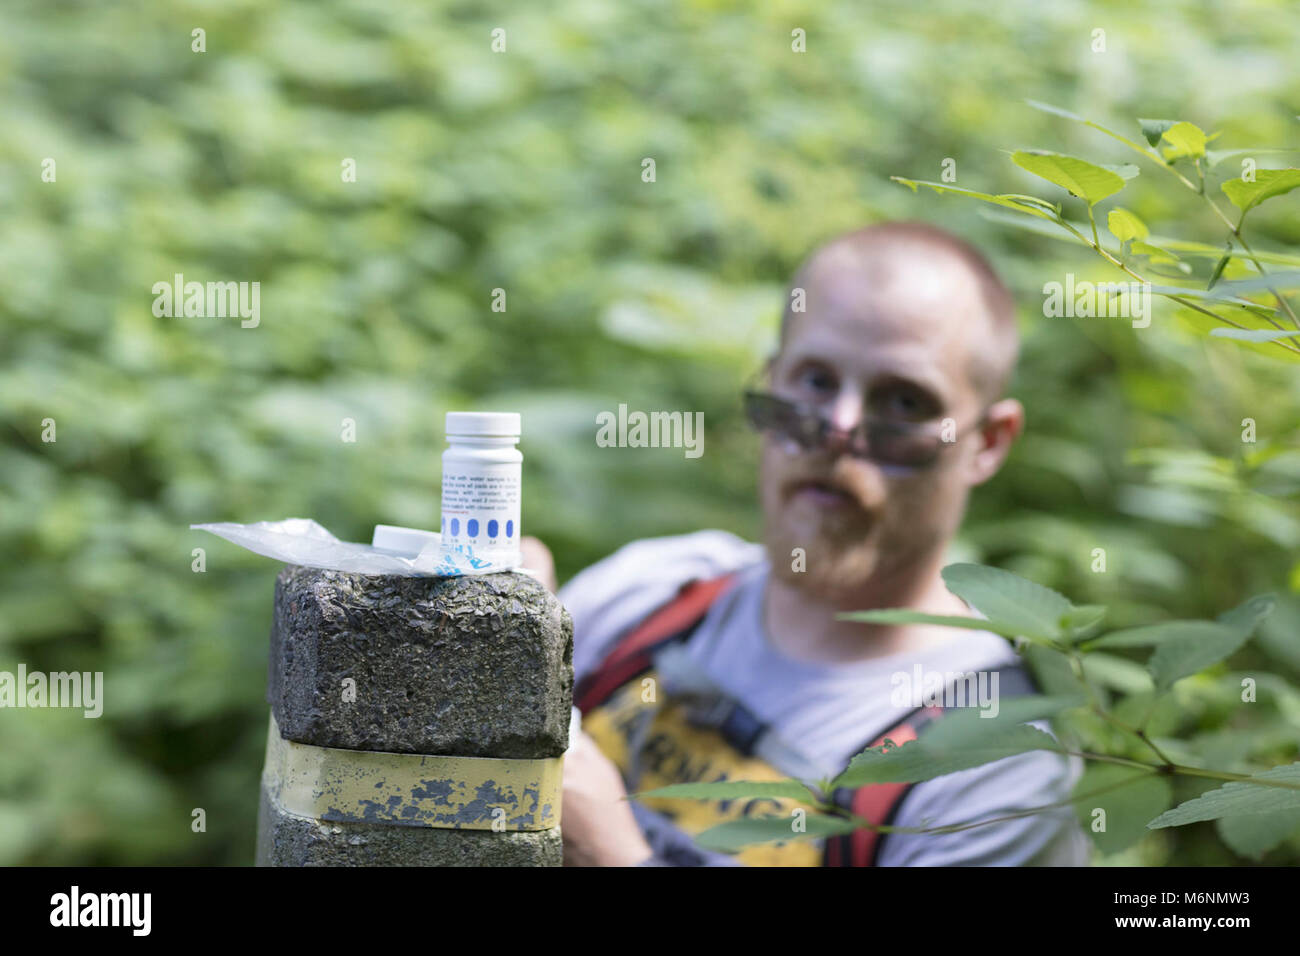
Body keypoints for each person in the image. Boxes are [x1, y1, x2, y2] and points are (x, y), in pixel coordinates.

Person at [521, 221, 1091, 867]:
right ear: (771, 378)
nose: (839, 430)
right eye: (816, 382)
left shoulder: (992, 765)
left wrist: (609, 851)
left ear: (987, 442)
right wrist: (504, 652)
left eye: (903, 401)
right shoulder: (652, 592)